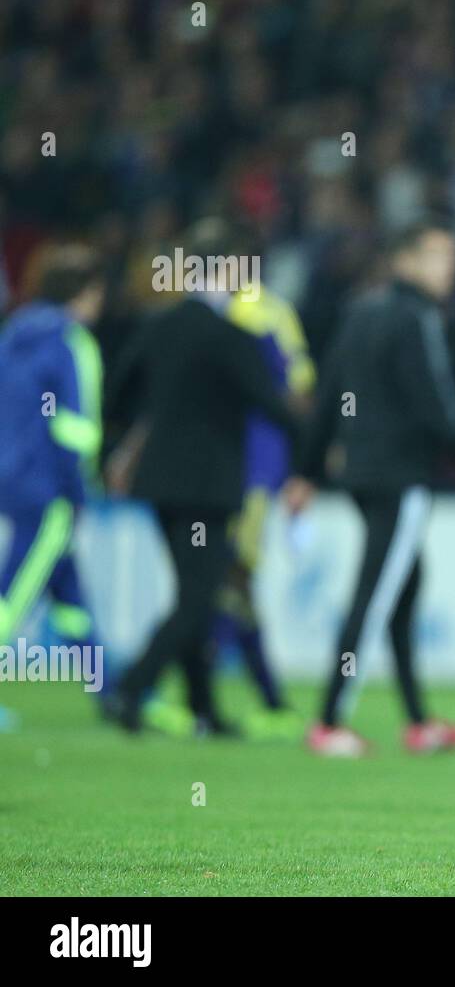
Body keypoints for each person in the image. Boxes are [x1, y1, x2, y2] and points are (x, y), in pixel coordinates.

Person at [101, 225, 298, 736]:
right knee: (199, 594)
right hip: (210, 486)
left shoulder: (159, 327)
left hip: (161, 483)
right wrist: (320, 451)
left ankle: (202, 708)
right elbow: (274, 406)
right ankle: (131, 688)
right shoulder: (233, 338)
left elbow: (118, 397)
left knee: (196, 592)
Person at [287, 224, 455, 758]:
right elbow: (435, 401)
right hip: (400, 477)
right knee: (375, 597)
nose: (448, 269)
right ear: (405, 260)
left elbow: (328, 395)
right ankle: (328, 720)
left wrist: (306, 469)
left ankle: (417, 720)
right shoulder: (418, 317)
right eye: (438, 257)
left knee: (403, 591)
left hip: (361, 473)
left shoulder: (360, 311)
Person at [0, 246, 107, 703]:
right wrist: (76, 492)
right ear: (84, 294)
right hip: (49, 489)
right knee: (13, 596)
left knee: (67, 594)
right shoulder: (71, 342)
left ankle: (110, 691)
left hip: (10, 476)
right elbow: (75, 428)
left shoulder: (13, 334)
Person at [215, 285, 316, 740]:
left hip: (253, 468)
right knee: (225, 579)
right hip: (215, 466)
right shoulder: (227, 311)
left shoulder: (269, 313)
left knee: (232, 575)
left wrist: (300, 465)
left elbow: (299, 390)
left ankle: (209, 695)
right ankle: (262, 697)